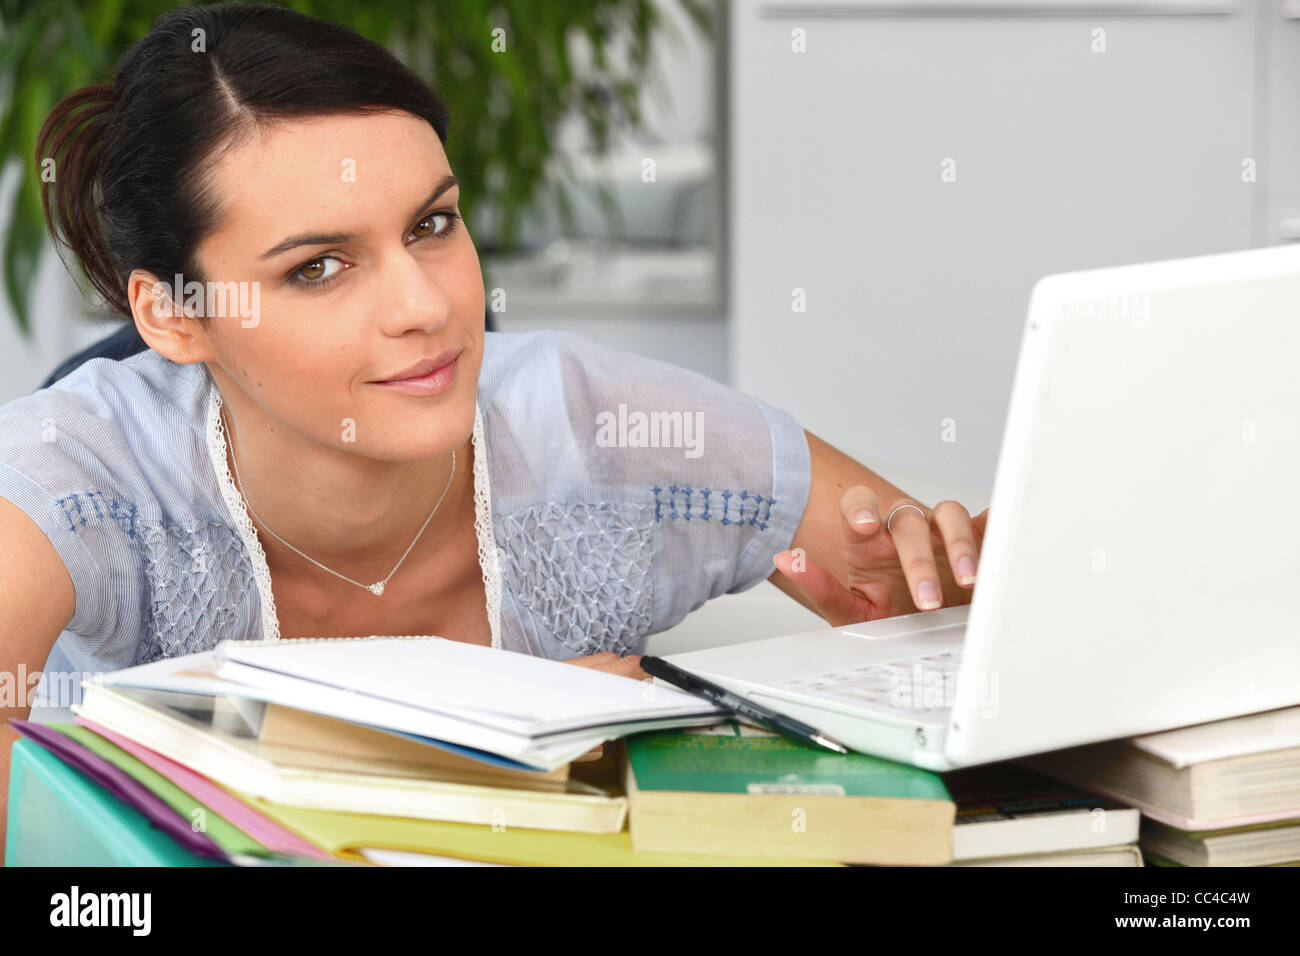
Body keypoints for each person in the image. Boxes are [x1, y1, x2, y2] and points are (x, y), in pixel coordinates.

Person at [0, 3, 988, 851]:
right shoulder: (74, 475)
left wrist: (932, 626)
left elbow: (949, 621)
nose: (423, 307)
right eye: (318, 266)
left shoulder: (604, 424)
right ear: (173, 315)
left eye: (431, 224)